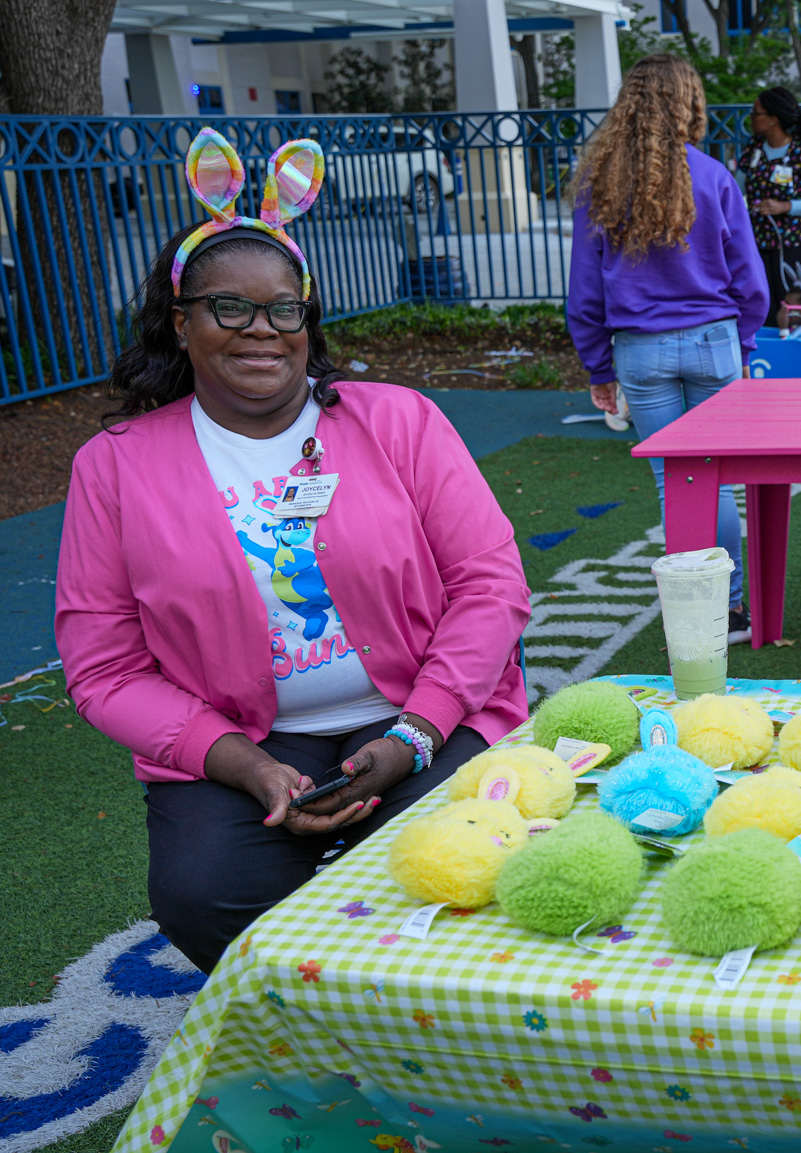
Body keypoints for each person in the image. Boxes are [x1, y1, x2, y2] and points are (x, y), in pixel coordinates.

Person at [55, 131, 530, 973]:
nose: (260, 330)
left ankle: (436, 1038)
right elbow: (104, 669)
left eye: (284, 308)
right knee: (206, 894)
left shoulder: (396, 421)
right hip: (238, 735)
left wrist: (414, 735)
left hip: (424, 715)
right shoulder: (118, 463)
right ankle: (324, 1046)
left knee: (450, 870)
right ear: (182, 320)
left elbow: (489, 586)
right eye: (228, 308)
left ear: (307, 318)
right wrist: (242, 764)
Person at [569, 54, 769, 642]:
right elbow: (750, 281)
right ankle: (730, 610)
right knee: (718, 481)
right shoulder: (713, 176)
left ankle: (696, 615)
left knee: (673, 484)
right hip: (714, 342)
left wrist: (597, 365)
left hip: (640, 350)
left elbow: (583, 290)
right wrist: (746, 341)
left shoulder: (600, 184)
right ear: (689, 104)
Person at [737, 86, 801, 331]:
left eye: (756, 113)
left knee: (792, 306)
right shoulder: (754, 150)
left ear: (773, 119)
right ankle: (770, 354)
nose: (751, 118)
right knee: (763, 302)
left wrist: (785, 206)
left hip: (796, 243)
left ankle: (797, 355)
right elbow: (736, 190)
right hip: (760, 242)